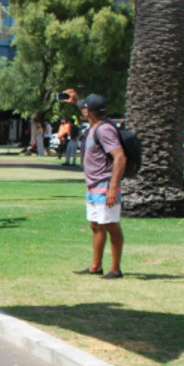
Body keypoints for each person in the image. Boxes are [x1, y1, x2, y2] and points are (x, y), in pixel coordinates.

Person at [74, 92, 125, 279]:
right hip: (94, 185)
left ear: (89, 111)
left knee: (111, 225)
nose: (82, 110)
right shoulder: (94, 126)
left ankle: (116, 269)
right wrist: (75, 101)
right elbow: (83, 108)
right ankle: (95, 266)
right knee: (95, 224)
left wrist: (113, 187)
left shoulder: (104, 130)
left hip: (105, 184)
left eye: (84, 107)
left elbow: (120, 156)